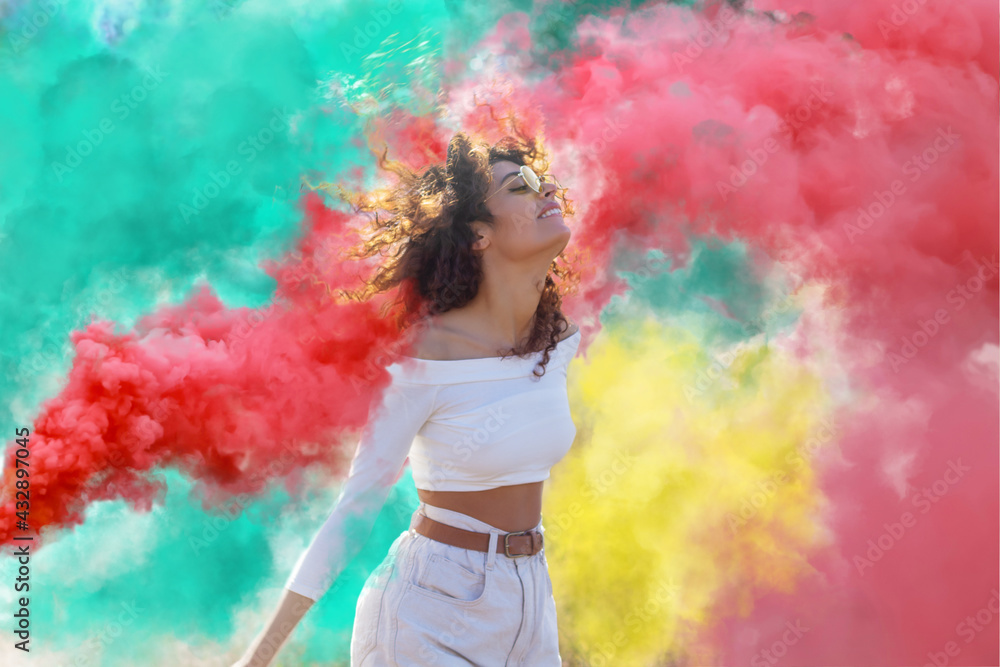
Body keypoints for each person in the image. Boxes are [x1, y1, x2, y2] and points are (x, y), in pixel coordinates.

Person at [235, 129, 582, 666]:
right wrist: (259, 658)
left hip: (531, 601)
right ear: (478, 236)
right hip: (431, 611)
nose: (545, 192)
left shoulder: (556, 341)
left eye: (543, 181)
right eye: (521, 187)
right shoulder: (426, 361)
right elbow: (355, 506)